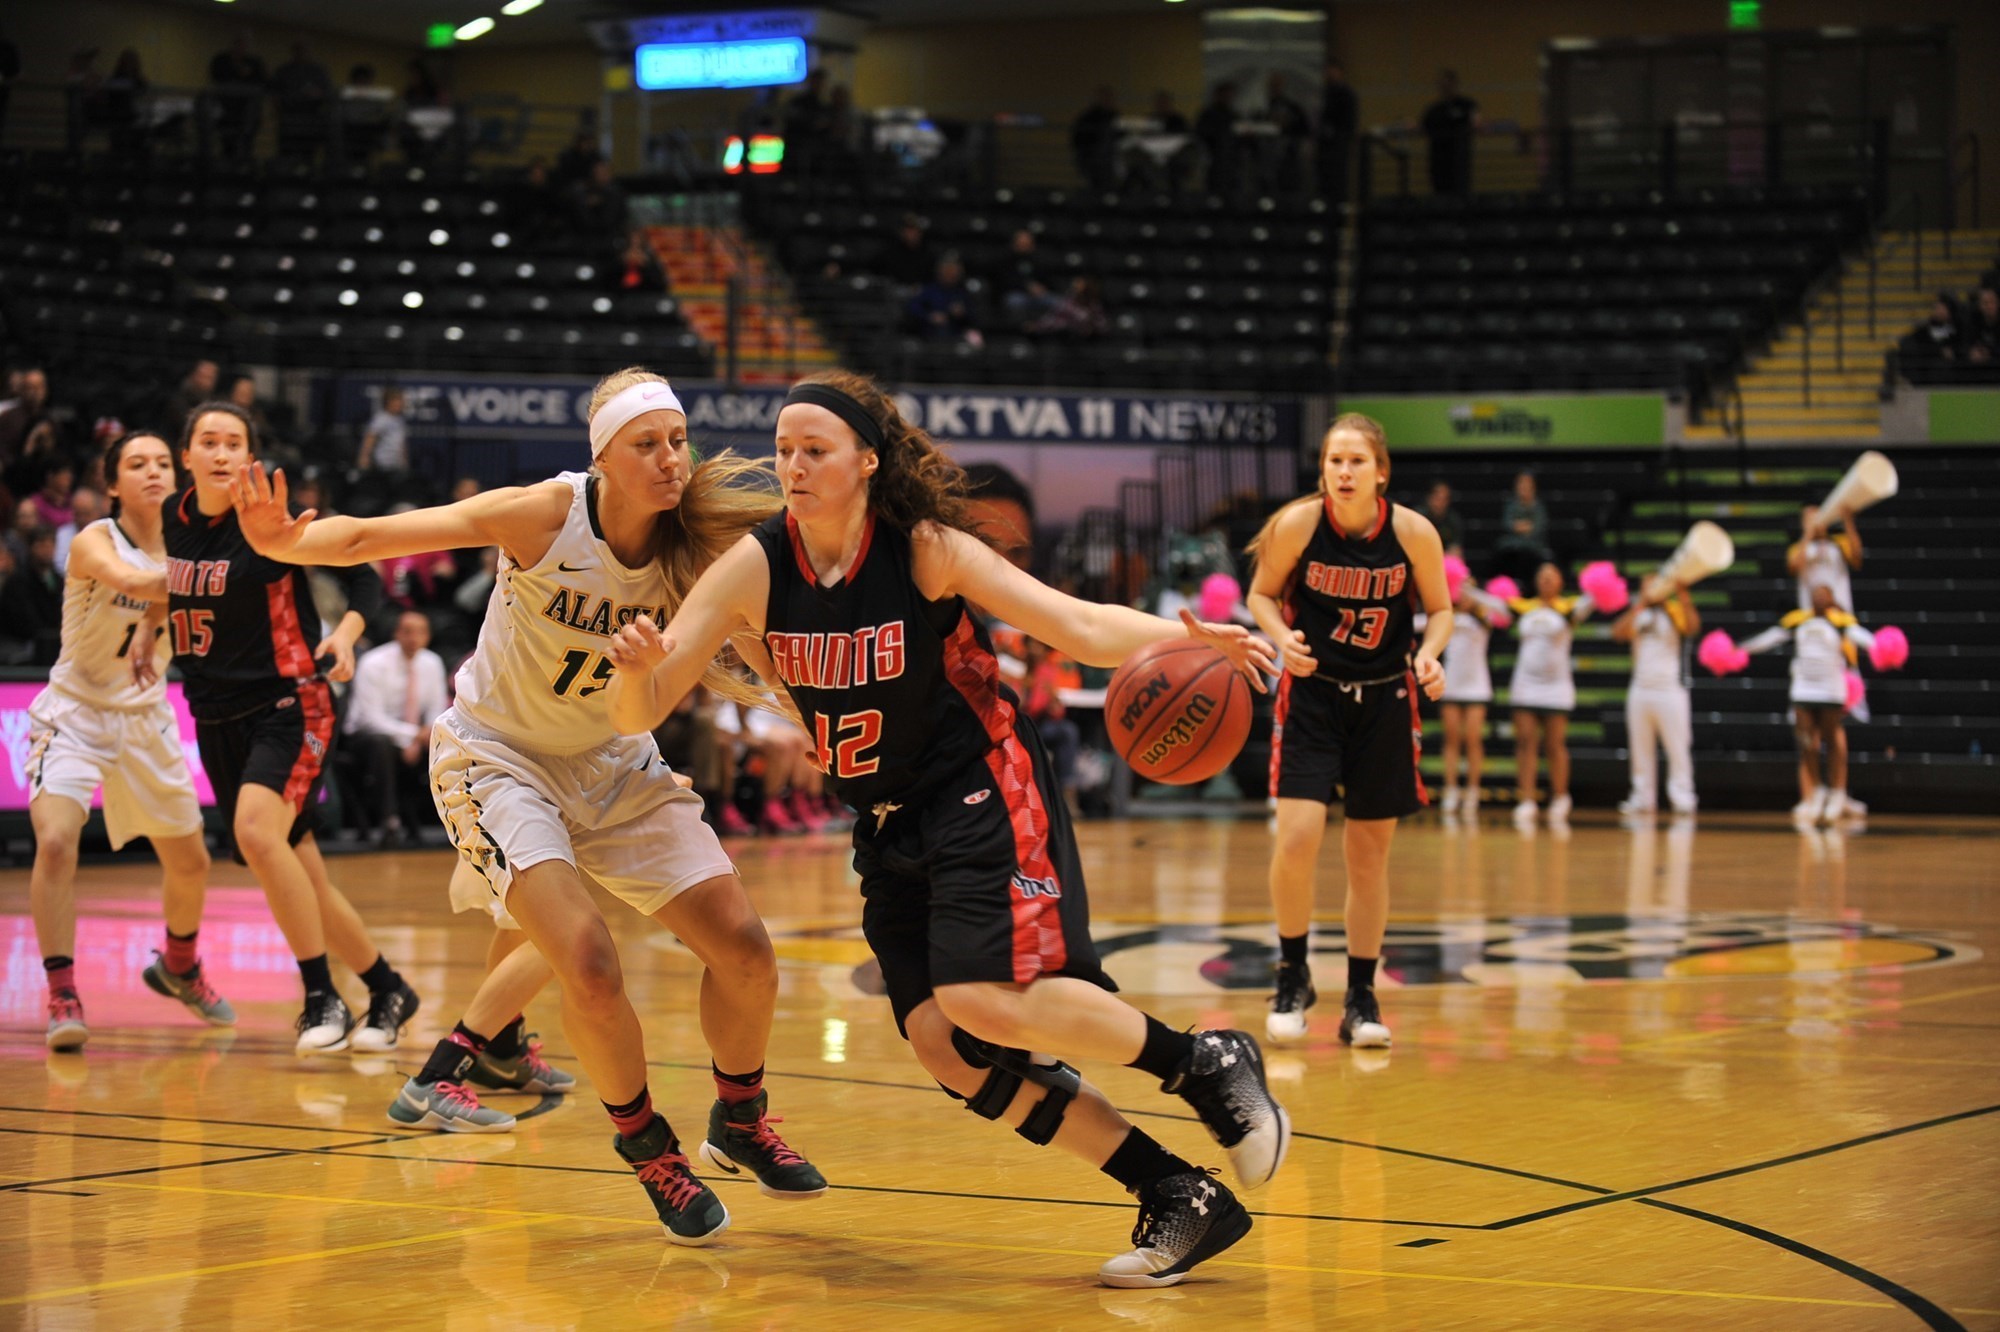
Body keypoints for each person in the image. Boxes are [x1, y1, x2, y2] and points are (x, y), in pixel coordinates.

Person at [605, 369, 1291, 1288]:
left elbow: (1075, 625)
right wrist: (634, 670)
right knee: (946, 1044)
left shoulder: (924, 550)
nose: (794, 467)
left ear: (866, 462)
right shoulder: (756, 568)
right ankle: (1176, 1191)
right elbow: (635, 710)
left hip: (978, 783)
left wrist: (1188, 641)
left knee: (978, 994)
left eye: (816, 451)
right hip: (885, 826)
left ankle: (1203, 1062)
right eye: (783, 451)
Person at [228, 368, 825, 1227]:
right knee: (583, 957)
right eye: (646, 445)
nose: (670, 459)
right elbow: (373, 537)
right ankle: (646, 1145)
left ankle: (739, 1118)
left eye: (677, 440)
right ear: (604, 458)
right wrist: (286, 542)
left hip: (615, 758)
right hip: (498, 759)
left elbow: (758, 647)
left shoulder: (695, 545)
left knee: (744, 950)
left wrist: (810, 715)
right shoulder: (546, 515)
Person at [164, 402, 416, 1057]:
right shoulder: (172, 519)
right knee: (302, 872)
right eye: (207, 442)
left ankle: (319, 995)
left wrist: (349, 637)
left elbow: (364, 578)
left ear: (250, 457)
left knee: (255, 832)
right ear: (185, 455)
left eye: (234, 443)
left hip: (290, 703)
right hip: (215, 716)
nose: (220, 454)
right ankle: (387, 988)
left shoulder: (266, 517)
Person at [1245, 414, 1451, 1048]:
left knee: (1368, 856)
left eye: (1357, 460)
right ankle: (1292, 972)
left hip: (1385, 700)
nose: (1343, 470)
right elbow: (1260, 595)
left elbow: (1440, 609)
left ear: (1380, 472)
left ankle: (1361, 995)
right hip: (1313, 697)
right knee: (1298, 836)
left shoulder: (1414, 533)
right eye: (1334, 460)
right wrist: (1282, 640)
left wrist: (1431, 655)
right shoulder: (1298, 526)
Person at [27, 431, 234, 1051]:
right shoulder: (95, 539)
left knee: (192, 863)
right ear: (113, 484)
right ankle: (63, 989)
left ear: (180, 477)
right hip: (75, 712)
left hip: (147, 718)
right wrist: (167, 601)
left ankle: (178, 964)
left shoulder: (193, 542)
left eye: (163, 463)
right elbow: (138, 580)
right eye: (136, 465)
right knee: (58, 842)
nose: (152, 472)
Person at [1741, 583, 1878, 826]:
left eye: (1824, 594)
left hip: (1831, 690)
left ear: (1831, 599)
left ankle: (1837, 794)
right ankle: (1814, 793)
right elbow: (1770, 638)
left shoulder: (1841, 622)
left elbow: (1865, 639)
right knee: (1807, 742)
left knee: (1833, 740)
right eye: (1815, 594)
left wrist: (1884, 648)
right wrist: (1738, 650)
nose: (1818, 597)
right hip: (1803, 689)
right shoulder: (1797, 621)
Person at [1504, 562, 1600, 827]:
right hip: (1525, 684)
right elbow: (1491, 604)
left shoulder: (1569, 608)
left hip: (1556, 686)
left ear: (1560, 581)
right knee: (1525, 743)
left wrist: (1601, 582)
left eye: (1552, 575)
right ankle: (1527, 799)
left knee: (1555, 744)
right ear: (1536, 581)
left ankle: (1560, 797)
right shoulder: (1524, 607)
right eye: (1542, 575)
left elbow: (1594, 598)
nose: (1546, 580)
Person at [343, 609, 449, 846]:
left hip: (412, 735)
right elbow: (371, 718)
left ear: (428, 636)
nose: (414, 638)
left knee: (445, 743)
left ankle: (453, 820)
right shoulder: (374, 663)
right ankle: (388, 820)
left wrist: (422, 735)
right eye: (408, 631)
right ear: (396, 634)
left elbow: (436, 709)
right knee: (383, 747)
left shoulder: (432, 662)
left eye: (421, 632)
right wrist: (411, 736)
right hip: (366, 736)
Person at [1612, 575, 1700, 816]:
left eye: (1655, 585)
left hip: (1670, 689)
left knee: (1677, 747)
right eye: (1646, 585)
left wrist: (1682, 595)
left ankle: (1682, 796)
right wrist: (1638, 604)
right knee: (1640, 747)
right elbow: (1618, 633)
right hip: (1640, 688)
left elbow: (1692, 627)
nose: (1651, 590)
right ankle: (1642, 797)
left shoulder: (1674, 611)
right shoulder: (1638, 613)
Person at [1438, 570, 1506, 817]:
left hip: (1477, 685)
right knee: (1452, 738)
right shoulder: (1446, 616)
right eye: (1460, 589)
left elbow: (1503, 609)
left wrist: (1471, 592)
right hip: (1452, 684)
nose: (1463, 595)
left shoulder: (1485, 618)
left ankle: (1473, 791)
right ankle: (1451, 789)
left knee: (1473, 738)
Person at [0, 524, 62, 664]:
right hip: (19, 642)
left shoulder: (59, 580)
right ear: (31, 547)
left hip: (53, 641)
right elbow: (23, 622)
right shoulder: (18, 581)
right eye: (42, 544)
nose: (47, 550)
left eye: (51, 544)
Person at [1786, 502, 1860, 612]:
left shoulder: (1838, 543)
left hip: (1840, 611)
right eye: (1809, 520)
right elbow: (1794, 568)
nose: (1815, 522)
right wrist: (1808, 533)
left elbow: (1857, 560)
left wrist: (1848, 521)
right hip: (1809, 613)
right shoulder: (1797, 548)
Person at [1421, 69, 1477, 196]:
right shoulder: (1434, 110)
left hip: (1458, 158)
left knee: (1460, 192)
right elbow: (1423, 128)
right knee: (1440, 191)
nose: (1444, 88)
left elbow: (1475, 123)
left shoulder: (1466, 105)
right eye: (1441, 85)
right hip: (1438, 158)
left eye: (1447, 85)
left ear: (1454, 84)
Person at [1317, 61, 1359, 206]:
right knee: (1326, 181)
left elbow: (1348, 121)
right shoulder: (1327, 93)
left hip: (1339, 144)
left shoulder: (1346, 94)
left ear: (1339, 72)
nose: (1329, 75)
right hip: (1327, 146)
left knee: (1338, 181)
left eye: (1332, 71)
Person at [1071, 84, 1120, 192]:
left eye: (1109, 97)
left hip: (1110, 160)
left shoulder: (1114, 115)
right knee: (1097, 187)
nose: (1107, 100)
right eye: (1104, 97)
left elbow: (1121, 135)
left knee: (1108, 186)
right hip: (1093, 160)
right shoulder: (1088, 117)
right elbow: (1078, 138)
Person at [358, 387, 409, 476]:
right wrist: (364, 458)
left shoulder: (400, 420)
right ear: (390, 402)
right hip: (382, 464)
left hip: (396, 464)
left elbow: (401, 443)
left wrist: (404, 462)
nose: (402, 403)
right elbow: (370, 438)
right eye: (399, 400)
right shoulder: (381, 419)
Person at [1422, 479, 1463, 554]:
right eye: (1438, 498)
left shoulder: (1453, 520)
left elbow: (1455, 548)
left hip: (1445, 559)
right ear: (1429, 498)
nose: (1440, 503)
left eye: (1444, 499)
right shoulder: (1419, 518)